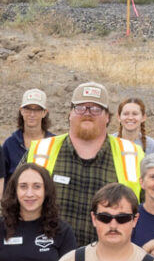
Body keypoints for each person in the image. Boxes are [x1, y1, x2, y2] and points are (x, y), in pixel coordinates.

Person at [24, 82, 143, 244]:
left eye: (96, 108)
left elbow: (149, 212)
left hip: (109, 256)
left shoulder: (133, 155)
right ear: (70, 114)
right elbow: (13, 203)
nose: (87, 113)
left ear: (107, 117)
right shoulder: (40, 151)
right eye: (80, 108)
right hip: (47, 254)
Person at [1, 89, 54, 173]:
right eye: (28, 109)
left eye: (37, 110)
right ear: (21, 111)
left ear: (44, 113)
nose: (32, 114)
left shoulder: (54, 143)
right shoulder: (10, 144)